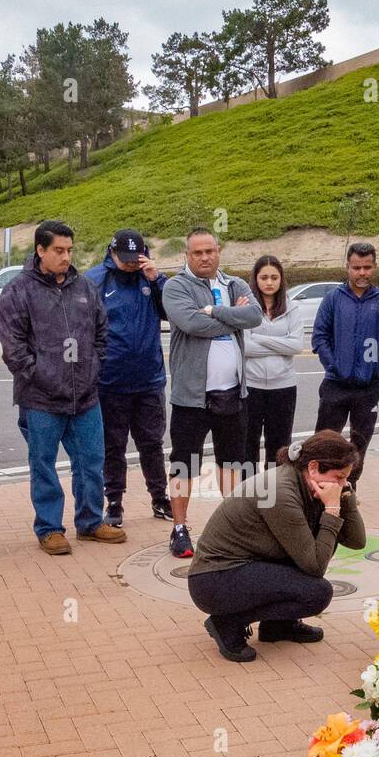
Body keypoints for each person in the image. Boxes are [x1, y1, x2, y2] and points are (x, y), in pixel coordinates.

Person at [0, 220, 126, 555]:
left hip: (85, 396)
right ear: (40, 250)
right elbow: (12, 346)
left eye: (69, 250)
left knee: (91, 462)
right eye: (58, 250)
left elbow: (101, 333)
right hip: (40, 399)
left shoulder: (83, 287)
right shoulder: (18, 290)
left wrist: (93, 369)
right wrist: (38, 374)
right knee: (43, 464)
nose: (66, 256)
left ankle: (90, 522)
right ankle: (50, 529)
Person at [188, 430, 366, 663]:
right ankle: (227, 622)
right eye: (339, 477)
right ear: (313, 467)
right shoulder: (280, 492)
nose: (341, 484)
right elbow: (315, 566)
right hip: (215, 578)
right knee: (317, 592)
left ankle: (278, 626)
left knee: (310, 551)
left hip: (248, 566)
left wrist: (345, 497)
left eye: (346, 479)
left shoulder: (309, 484)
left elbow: (356, 541)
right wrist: (332, 510)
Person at [161, 228, 262, 558]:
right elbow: (192, 324)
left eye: (210, 251)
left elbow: (254, 316)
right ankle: (179, 528)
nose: (205, 257)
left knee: (232, 463)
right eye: (197, 253)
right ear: (186, 256)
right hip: (191, 397)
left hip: (233, 393)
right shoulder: (177, 286)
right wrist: (233, 317)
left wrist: (214, 311)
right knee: (184, 464)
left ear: (219, 251)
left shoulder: (235, 285)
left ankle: (231, 528)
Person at [84, 229, 172, 527]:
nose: (132, 264)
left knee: (152, 443)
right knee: (113, 446)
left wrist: (156, 279)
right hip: (110, 382)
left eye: (137, 258)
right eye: (126, 260)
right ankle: (114, 501)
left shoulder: (149, 278)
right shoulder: (95, 280)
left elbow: (171, 312)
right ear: (112, 253)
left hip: (149, 379)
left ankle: (160, 498)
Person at [312, 243, 379, 486]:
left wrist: (377, 370)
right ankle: (321, 485)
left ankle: (350, 487)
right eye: (356, 267)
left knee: (360, 441)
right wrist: (334, 365)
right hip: (335, 385)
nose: (362, 273)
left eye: (367, 267)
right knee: (326, 440)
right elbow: (320, 336)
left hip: (367, 388)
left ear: (374, 267)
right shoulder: (333, 299)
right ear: (347, 267)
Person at [242, 254, 302, 477]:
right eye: (264, 277)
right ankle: (249, 496)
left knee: (279, 446)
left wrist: (260, 339)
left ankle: (275, 496)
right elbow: (244, 347)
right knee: (248, 444)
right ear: (255, 279)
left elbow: (296, 345)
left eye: (274, 277)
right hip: (251, 387)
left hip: (283, 388)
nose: (269, 282)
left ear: (281, 279)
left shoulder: (292, 307)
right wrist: (280, 344)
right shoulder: (246, 307)